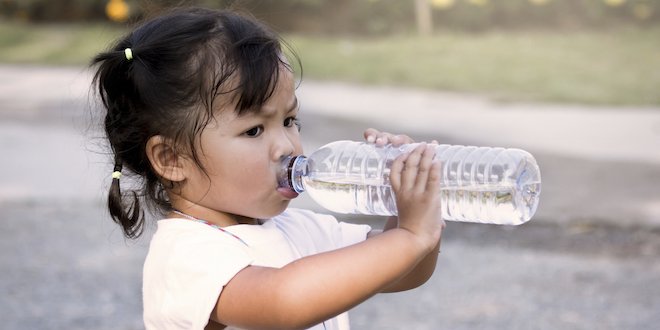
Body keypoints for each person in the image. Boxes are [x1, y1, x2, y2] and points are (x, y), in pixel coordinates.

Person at [91, 6, 444, 330]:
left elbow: (404, 273)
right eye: (254, 130)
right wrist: (410, 236)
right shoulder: (184, 255)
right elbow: (282, 303)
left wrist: (408, 212)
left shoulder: (300, 228)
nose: (287, 145)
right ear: (172, 159)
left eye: (290, 120)